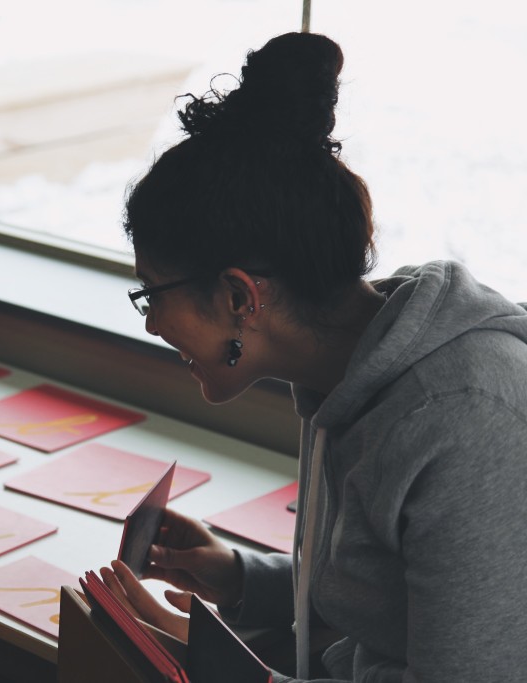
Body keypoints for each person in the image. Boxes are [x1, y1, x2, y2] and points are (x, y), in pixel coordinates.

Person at [100, 32, 527, 682]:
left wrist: (229, 671)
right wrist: (243, 578)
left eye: (152, 294)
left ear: (241, 295)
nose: (153, 322)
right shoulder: (348, 371)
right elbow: (390, 602)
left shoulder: (466, 421)